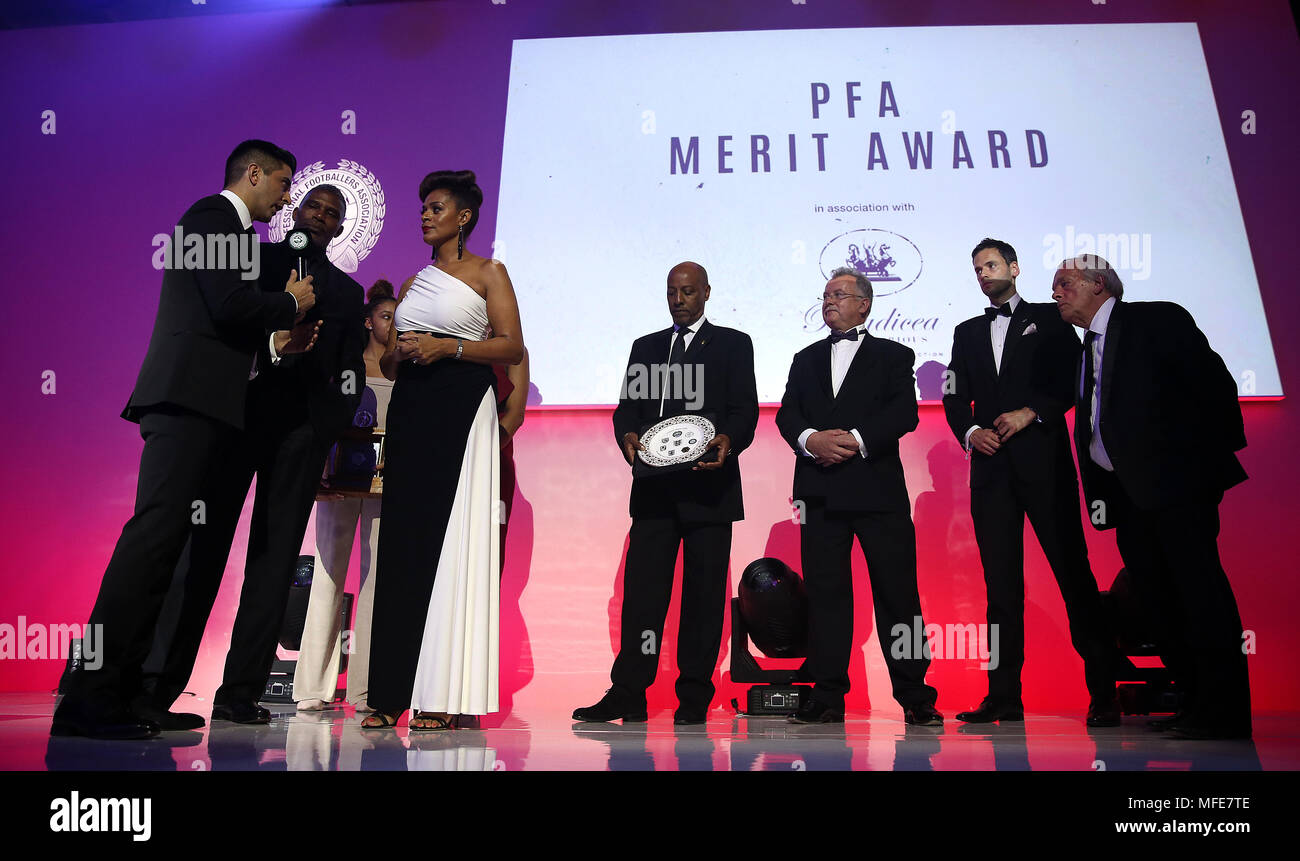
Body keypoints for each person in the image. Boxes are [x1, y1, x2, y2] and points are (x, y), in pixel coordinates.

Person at [52, 140, 315, 739]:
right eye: (281, 181)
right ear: (253, 174)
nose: (285, 194)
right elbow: (228, 305)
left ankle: (131, 697)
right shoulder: (211, 217)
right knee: (150, 543)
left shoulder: (231, 232)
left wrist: (274, 344)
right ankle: (88, 695)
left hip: (204, 408)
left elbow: (222, 324)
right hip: (183, 404)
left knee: (167, 551)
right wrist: (288, 304)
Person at [138, 182, 367, 726]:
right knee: (203, 548)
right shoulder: (254, 261)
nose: (321, 216)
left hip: (299, 437)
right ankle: (156, 689)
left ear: (339, 229)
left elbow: (350, 371)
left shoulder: (348, 293)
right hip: (235, 420)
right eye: (314, 205)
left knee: (275, 559)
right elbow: (225, 326)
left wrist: (323, 429)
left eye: (332, 214)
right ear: (297, 210)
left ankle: (240, 692)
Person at [1052, 255, 1251, 739]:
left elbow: (1215, 389)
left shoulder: (1156, 319)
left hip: (1178, 488)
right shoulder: (1083, 349)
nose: (1055, 293)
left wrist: (1197, 467)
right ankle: (1196, 700)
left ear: (1098, 283)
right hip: (1127, 497)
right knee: (1157, 602)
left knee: (1199, 595)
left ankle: (1224, 712)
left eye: (1063, 283)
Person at [363, 170, 524, 731]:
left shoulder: (488, 273)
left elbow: (511, 345)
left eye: (436, 207)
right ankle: (386, 694)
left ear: (464, 217)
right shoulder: (412, 282)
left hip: (463, 413)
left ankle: (441, 694)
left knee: (452, 543)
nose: (426, 215)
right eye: (423, 208)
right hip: (411, 413)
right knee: (404, 547)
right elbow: (386, 362)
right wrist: (403, 355)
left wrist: (448, 346)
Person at [573, 262, 759, 725]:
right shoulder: (647, 347)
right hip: (654, 492)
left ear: (707, 293)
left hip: (709, 488)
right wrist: (628, 435)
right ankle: (628, 693)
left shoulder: (734, 345)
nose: (679, 299)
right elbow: (626, 410)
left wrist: (727, 442)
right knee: (642, 597)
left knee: (703, 597)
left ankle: (693, 696)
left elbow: (745, 412)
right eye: (673, 291)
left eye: (689, 291)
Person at [942, 238, 1119, 726]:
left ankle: (1104, 693)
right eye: (977, 267)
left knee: (1074, 576)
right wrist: (971, 431)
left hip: (1045, 465)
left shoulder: (1053, 317)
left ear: (1015, 268)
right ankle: (1003, 697)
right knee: (1000, 588)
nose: (984, 273)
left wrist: (1031, 413)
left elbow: (1074, 382)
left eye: (992, 264)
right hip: (991, 471)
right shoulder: (966, 331)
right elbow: (954, 394)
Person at [774, 268, 941, 725]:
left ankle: (915, 695)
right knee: (826, 596)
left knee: (898, 595)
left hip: (876, 491)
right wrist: (811, 440)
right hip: (819, 492)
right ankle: (827, 695)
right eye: (826, 294)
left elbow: (904, 414)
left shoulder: (893, 355)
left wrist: (854, 441)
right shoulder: (804, 358)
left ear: (864, 304)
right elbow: (787, 415)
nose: (829, 301)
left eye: (840, 294)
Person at [293, 280, 398, 712]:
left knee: (377, 582)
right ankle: (313, 688)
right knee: (328, 575)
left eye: (398, 318)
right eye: (386, 316)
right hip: (339, 483)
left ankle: (365, 689)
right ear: (369, 321)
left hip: (385, 487)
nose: (393, 324)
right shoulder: (347, 368)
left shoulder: (406, 374)